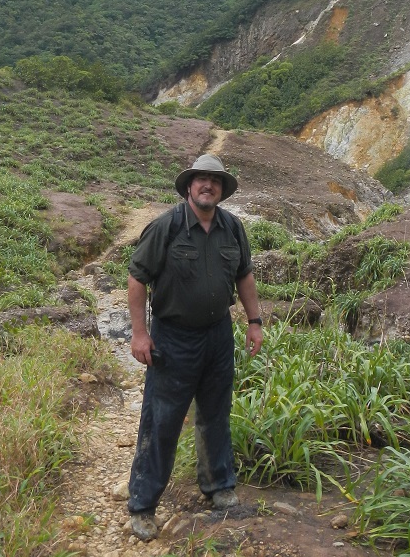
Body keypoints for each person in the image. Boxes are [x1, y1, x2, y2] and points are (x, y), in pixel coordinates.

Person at [126, 153, 264, 542]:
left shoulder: (232, 228)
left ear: (221, 191)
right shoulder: (166, 226)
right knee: (162, 419)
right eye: (201, 180)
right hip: (173, 337)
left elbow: (245, 275)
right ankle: (142, 504)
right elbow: (137, 278)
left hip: (219, 334)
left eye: (215, 181)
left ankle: (219, 486)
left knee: (216, 412)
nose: (208, 185)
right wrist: (139, 334)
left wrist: (254, 323)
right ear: (189, 187)